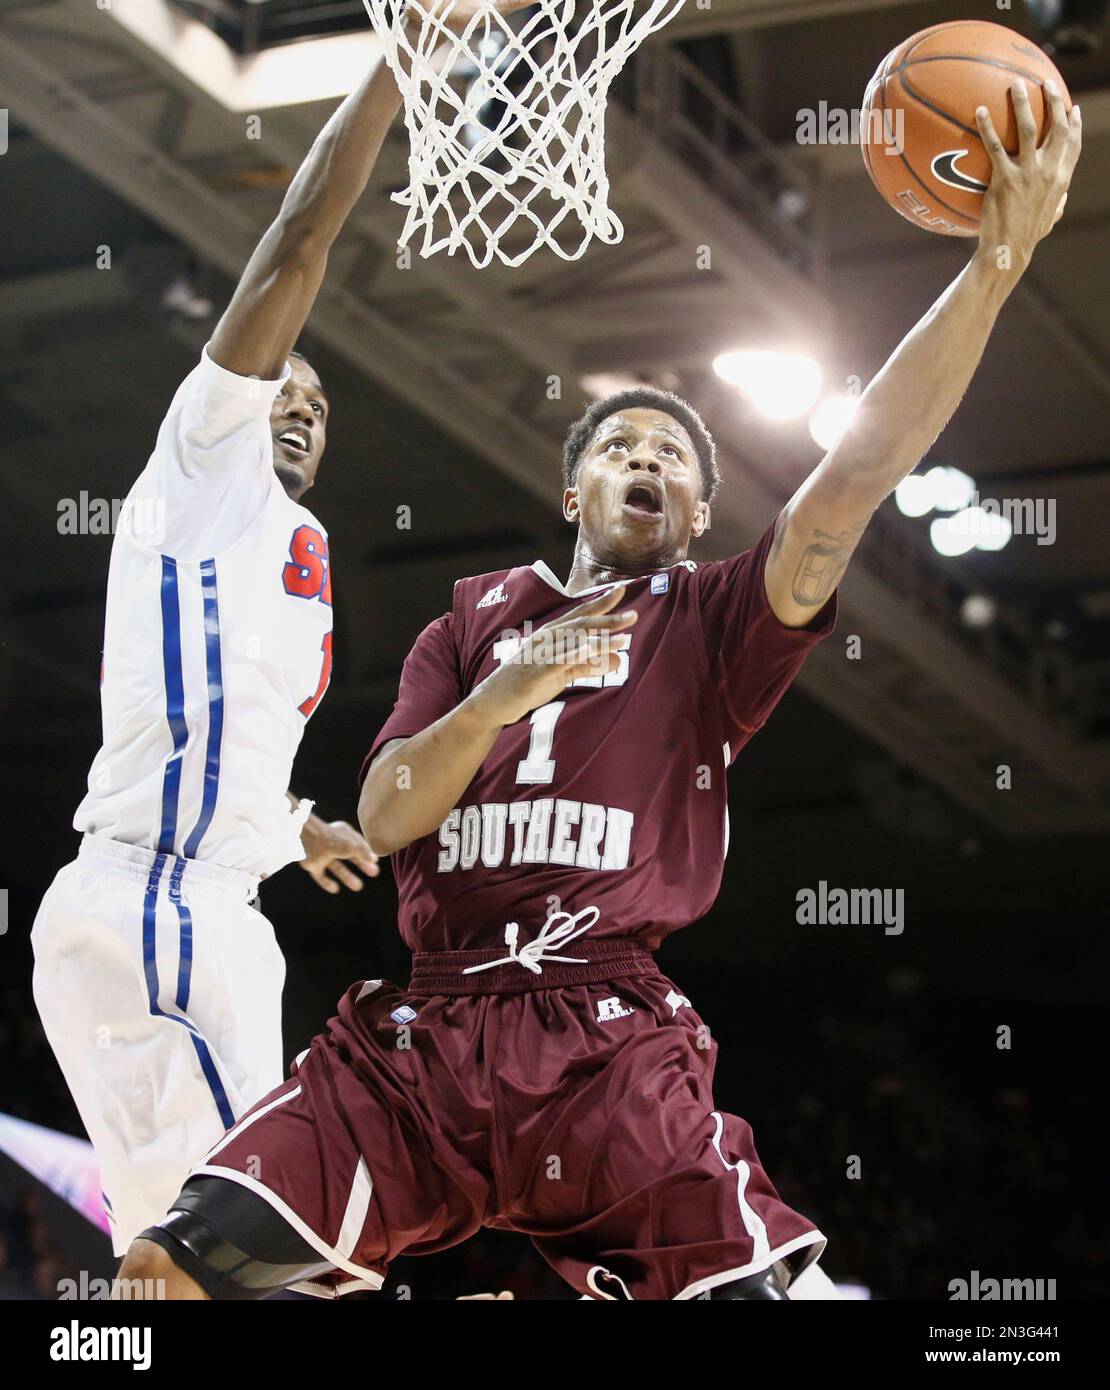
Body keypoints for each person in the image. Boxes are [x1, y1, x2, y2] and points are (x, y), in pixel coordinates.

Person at [115, 69, 1080, 1299]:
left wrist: (993, 265)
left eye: (673, 456)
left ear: (693, 510)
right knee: (161, 1275)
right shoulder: (469, 619)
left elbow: (852, 479)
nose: (649, 462)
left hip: (610, 1043)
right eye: (623, 445)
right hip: (426, 1035)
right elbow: (395, 815)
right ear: (576, 493)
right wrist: (501, 694)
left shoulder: (720, 617)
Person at [25, 0, 421, 1256]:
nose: (299, 407)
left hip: (218, 913)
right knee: (269, 1256)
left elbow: (214, 716)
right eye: (282, 387)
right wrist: (400, 67)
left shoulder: (295, 558)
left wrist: (289, 823)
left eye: (319, 405)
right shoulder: (202, 465)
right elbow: (299, 242)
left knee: (179, 1268)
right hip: (152, 902)